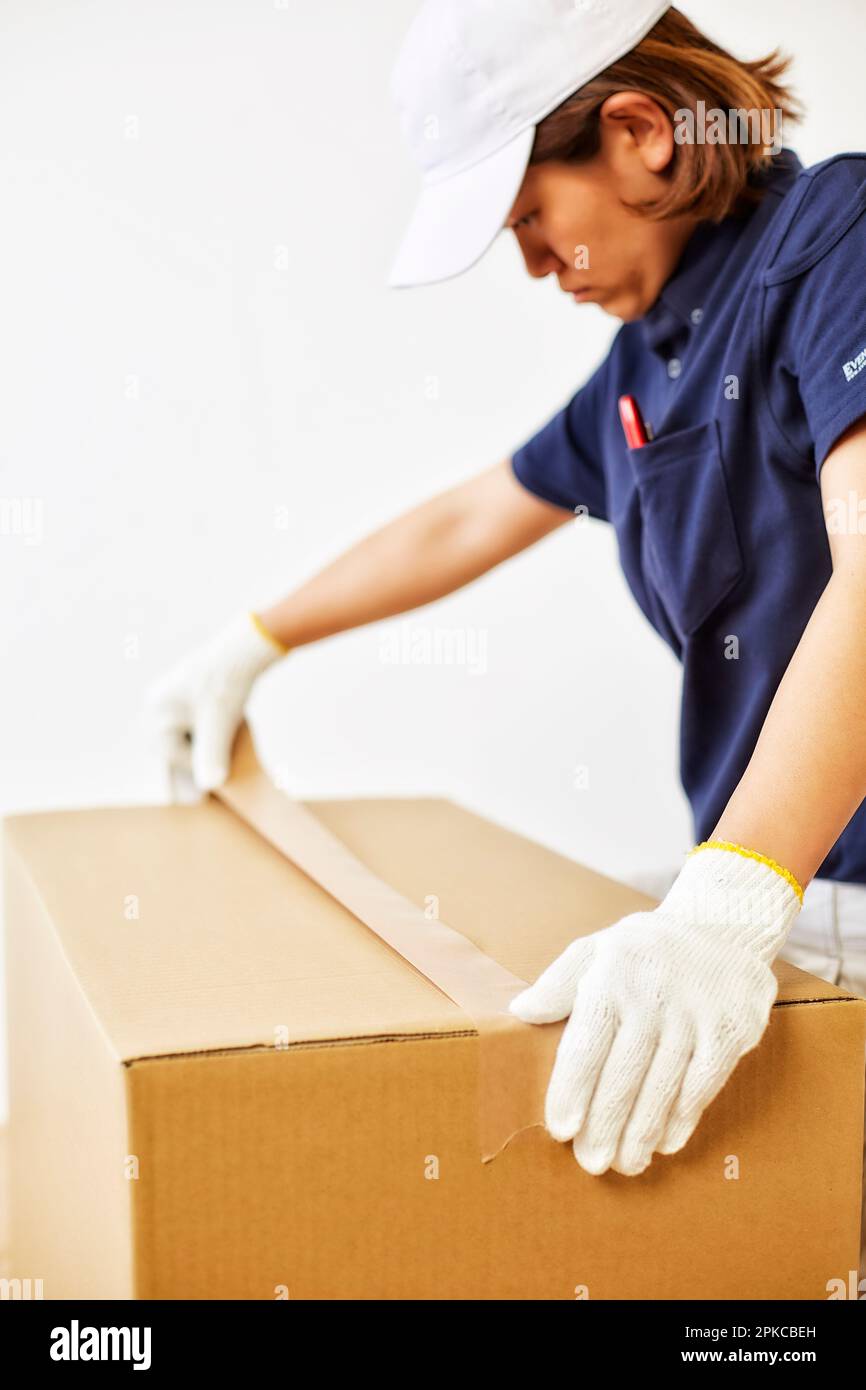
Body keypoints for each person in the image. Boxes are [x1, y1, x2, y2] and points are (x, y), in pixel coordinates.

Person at [144, 0, 866, 1270]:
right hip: (796, 898)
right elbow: (472, 515)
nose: (534, 265)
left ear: (639, 131)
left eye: (530, 218)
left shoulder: (835, 242)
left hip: (790, 896)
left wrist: (729, 904)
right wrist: (253, 638)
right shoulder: (648, 358)